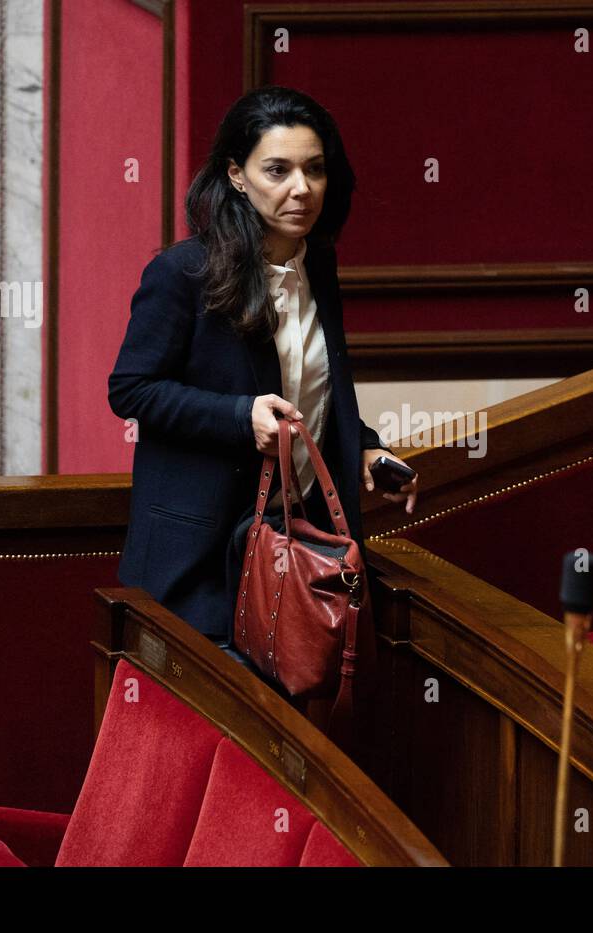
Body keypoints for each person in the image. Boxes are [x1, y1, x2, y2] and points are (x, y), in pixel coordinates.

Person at [107, 85, 417, 694]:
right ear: (237, 176)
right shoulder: (182, 272)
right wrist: (238, 417)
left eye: (315, 169)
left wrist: (366, 447)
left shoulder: (317, 265)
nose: (300, 188)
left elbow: (319, 384)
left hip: (296, 554)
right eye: (277, 170)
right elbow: (131, 389)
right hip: (199, 561)